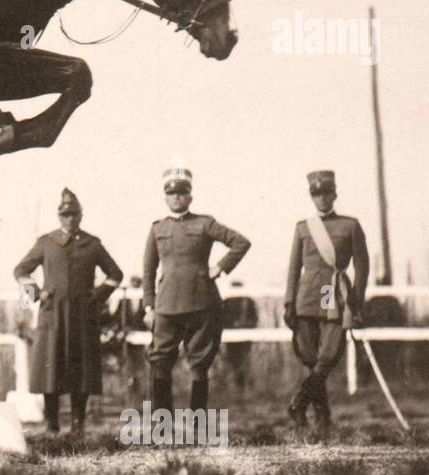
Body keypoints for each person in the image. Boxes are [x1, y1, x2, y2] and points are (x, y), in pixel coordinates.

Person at [13, 188, 123, 433]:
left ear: (81, 216)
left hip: (83, 317)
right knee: (50, 367)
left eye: (74, 214)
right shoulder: (46, 242)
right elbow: (20, 270)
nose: (70, 219)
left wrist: (97, 297)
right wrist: (36, 293)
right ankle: (52, 424)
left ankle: (78, 423)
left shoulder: (93, 245)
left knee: (80, 370)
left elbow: (116, 274)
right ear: (58, 217)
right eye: (65, 215)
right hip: (53, 315)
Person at [142, 168, 251, 415]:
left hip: (202, 305)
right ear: (165, 197)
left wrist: (220, 268)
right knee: (160, 363)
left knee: (199, 365)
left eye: (182, 192)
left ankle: (197, 428)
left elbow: (240, 242)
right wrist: (149, 306)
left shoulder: (204, 224)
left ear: (190, 196)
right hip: (166, 307)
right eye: (172, 193)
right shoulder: (157, 228)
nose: (177, 198)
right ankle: (162, 429)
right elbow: (148, 270)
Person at [284, 170, 369, 436]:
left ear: (335, 194)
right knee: (309, 357)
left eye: (326, 193)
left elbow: (362, 265)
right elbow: (293, 267)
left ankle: (299, 402)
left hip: (334, 294)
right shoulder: (303, 227)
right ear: (312, 197)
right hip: (308, 296)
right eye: (316, 194)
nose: (322, 199)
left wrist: (356, 297)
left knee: (330, 355)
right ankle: (323, 417)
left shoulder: (350, 226)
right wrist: (289, 302)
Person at [219, 280, 259, 395]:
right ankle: (235, 388)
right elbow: (222, 318)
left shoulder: (248, 302)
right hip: (231, 337)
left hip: (245, 336)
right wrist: (230, 326)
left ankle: (244, 388)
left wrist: (246, 326)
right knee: (233, 361)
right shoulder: (226, 301)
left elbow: (254, 319)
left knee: (244, 361)